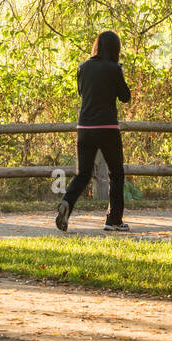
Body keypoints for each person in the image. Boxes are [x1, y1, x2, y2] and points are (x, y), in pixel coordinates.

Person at [56, 30, 131, 233]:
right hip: (107, 127)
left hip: (84, 128)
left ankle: (67, 203)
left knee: (83, 174)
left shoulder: (82, 68)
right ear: (115, 48)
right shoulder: (114, 69)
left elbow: (83, 92)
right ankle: (113, 220)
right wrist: (120, 74)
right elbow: (125, 97)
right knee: (116, 174)